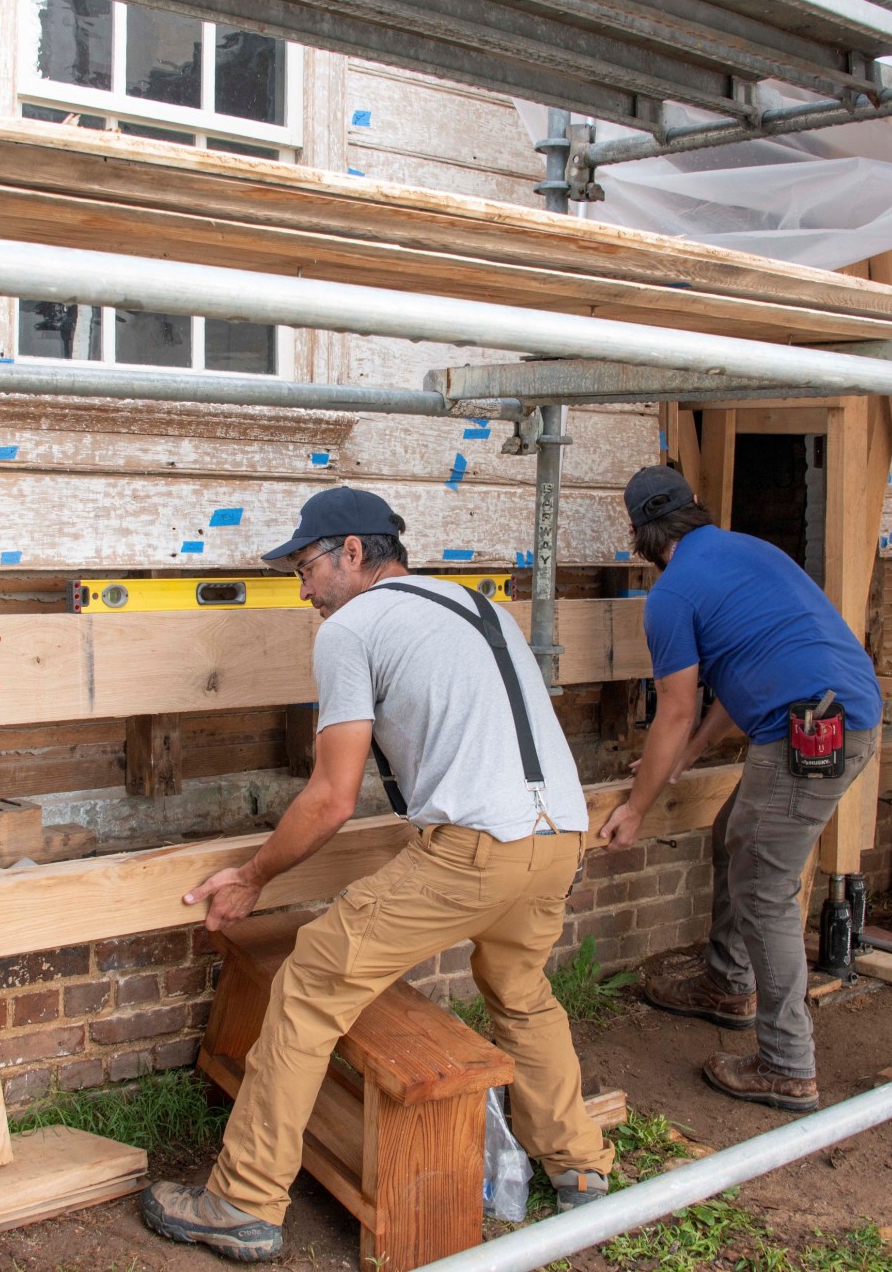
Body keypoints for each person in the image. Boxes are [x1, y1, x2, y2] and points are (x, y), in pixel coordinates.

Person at [139, 487, 615, 1262]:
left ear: (353, 553)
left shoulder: (354, 625)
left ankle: (242, 1199)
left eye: (306, 566)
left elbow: (330, 798)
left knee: (307, 985)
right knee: (522, 991)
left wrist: (254, 875)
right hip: (558, 835)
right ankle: (580, 1167)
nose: (302, 588)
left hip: (473, 847)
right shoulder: (475, 604)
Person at [598, 466, 881, 1114]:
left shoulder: (671, 596)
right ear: (696, 508)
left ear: (640, 535)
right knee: (736, 833)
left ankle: (786, 1063)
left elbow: (671, 710)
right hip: (848, 711)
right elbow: (743, 666)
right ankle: (727, 984)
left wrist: (636, 806)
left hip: (807, 729)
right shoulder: (752, 550)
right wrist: (695, 749)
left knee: (764, 888)